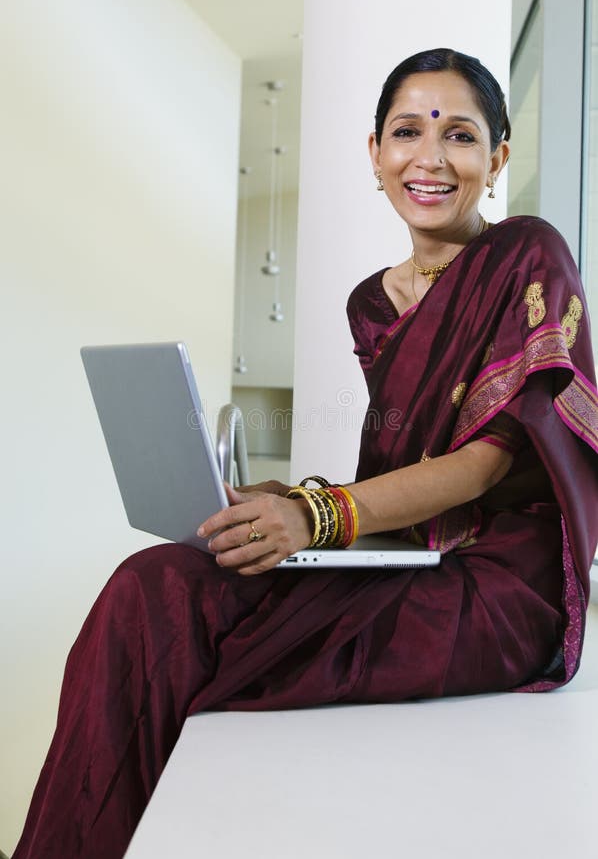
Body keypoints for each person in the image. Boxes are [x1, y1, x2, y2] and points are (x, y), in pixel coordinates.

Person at [14, 47, 598, 859]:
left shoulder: (528, 255)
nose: (429, 158)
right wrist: (284, 503)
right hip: (407, 549)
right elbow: (405, 463)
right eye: (406, 132)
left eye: (460, 136)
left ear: (496, 159)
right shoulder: (374, 302)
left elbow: (485, 462)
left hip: (498, 582)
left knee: (202, 645)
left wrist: (319, 516)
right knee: (148, 589)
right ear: (375, 154)